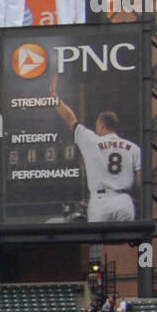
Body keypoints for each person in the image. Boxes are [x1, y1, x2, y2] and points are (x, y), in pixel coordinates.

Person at [50, 74, 142, 222]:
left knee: (96, 242)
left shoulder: (91, 141)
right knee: (126, 240)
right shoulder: (133, 148)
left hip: (100, 201)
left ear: (102, 126)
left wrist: (54, 97)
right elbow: (140, 181)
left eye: (98, 125)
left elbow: (69, 117)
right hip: (124, 201)